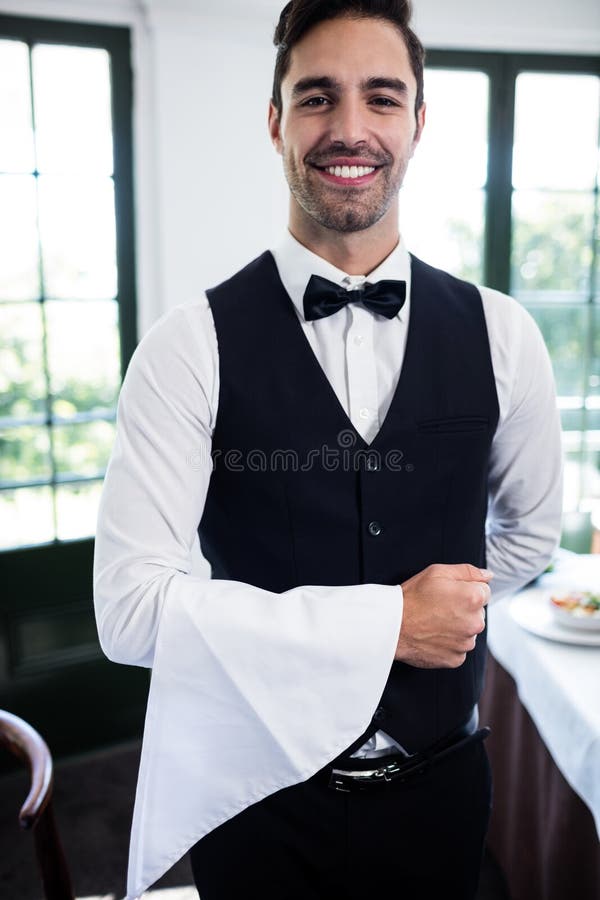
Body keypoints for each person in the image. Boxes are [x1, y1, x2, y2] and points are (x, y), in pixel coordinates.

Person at [93, 1, 563, 898]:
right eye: (317, 98)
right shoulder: (187, 346)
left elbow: (532, 536)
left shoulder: (505, 335)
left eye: (382, 98)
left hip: (445, 791)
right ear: (275, 121)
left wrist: (454, 614)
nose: (349, 129)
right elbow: (129, 611)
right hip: (258, 799)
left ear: (419, 123)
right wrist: (389, 624)